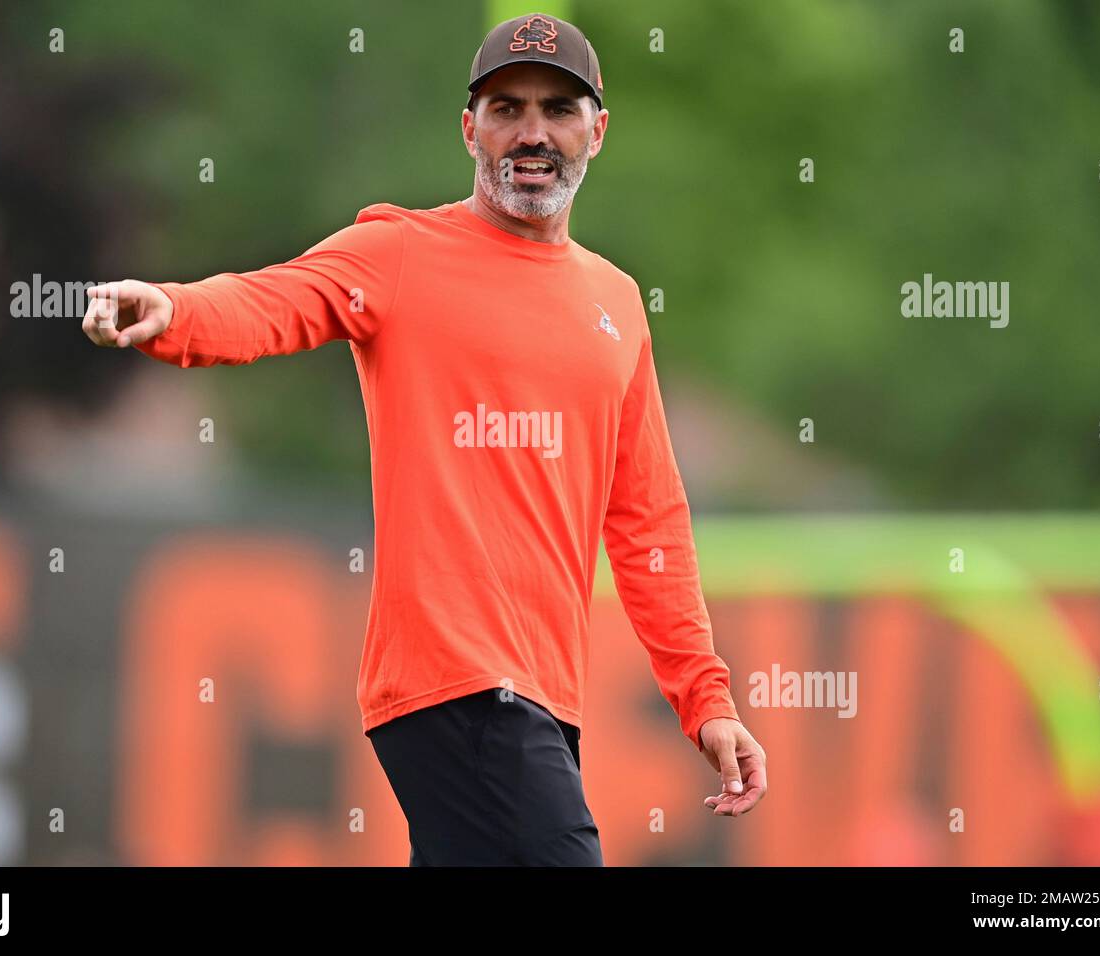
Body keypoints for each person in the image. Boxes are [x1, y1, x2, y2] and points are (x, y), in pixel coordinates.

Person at [81, 11, 767, 866]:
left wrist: (706, 701)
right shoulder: (400, 252)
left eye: (558, 109)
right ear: (469, 127)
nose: (532, 132)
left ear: (597, 130)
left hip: (545, 697)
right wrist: (174, 309)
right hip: (459, 686)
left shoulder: (618, 303)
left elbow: (648, 523)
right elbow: (277, 300)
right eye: (507, 107)